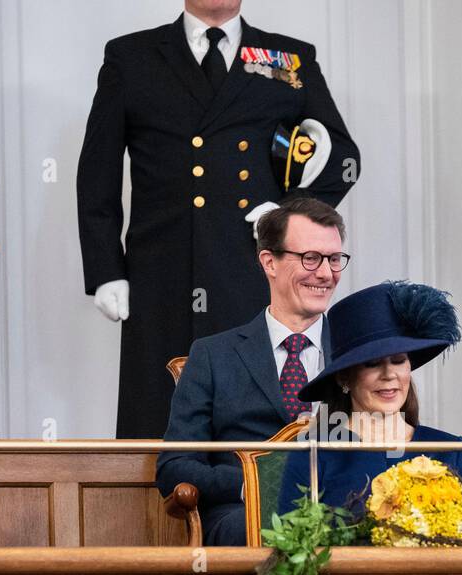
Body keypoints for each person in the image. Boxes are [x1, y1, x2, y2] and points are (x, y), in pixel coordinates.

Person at [77, 0, 360, 438]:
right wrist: (105, 270)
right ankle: (157, 506)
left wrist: (289, 211)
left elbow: (344, 157)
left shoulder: (289, 57)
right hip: (162, 272)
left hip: (251, 267)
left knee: (255, 407)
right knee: (158, 417)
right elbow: (98, 172)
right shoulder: (131, 57)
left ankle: (259, 498)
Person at [156, 197, 344, 545]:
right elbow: (174, 467)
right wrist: (251, 485)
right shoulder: (213, 355)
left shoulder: (357, 353)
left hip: (342, 511)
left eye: (334, 259)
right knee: (267, 528)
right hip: (244, 516)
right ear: (269, 262)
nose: (325, 273)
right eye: (310, 258)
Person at [276, 281, 462, 520]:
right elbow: (291, 547)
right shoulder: (314, 453)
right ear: (344, 378)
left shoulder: (449, 450)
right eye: (372, 364)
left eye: (398, 360)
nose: (389, 374)